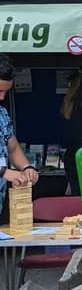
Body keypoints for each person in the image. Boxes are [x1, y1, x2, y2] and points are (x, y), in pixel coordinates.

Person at [0, 55, 41, 216]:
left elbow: (13, 147)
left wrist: (26, 167)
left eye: (5, 91)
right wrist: (5, 173)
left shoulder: (2, 114)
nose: (2, 97)